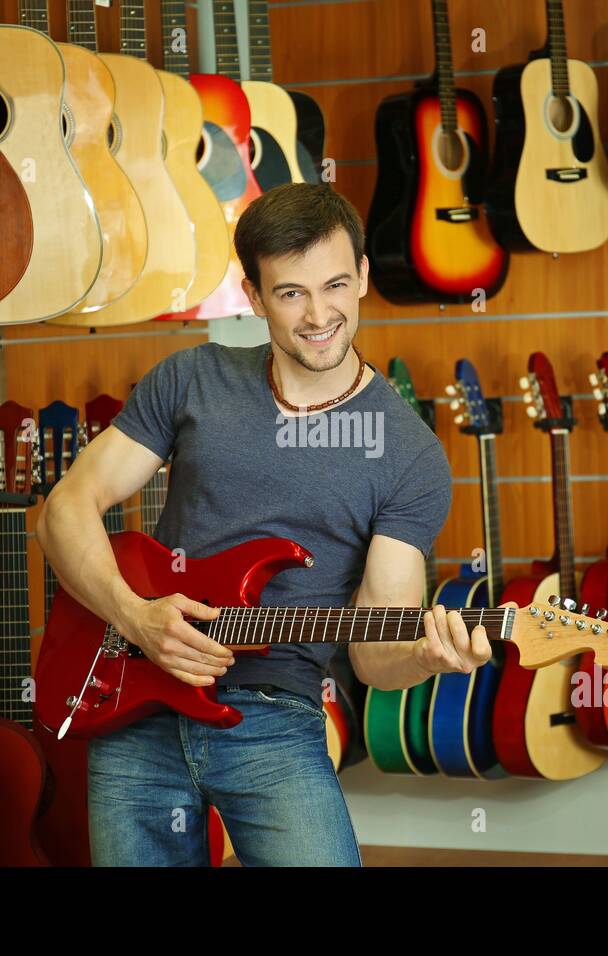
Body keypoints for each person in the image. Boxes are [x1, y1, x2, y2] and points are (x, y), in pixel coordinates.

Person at [37, 183, 495, 866]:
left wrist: (427, 655)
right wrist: (135, 618)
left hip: (274, 721)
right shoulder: (192, 378)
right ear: (253, 295)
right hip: (134, 695)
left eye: (336, 284)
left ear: (365, 276)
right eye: (291, 293)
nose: (319, 315)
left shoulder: (409, 455)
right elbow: (65, 508)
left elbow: (374, 651)